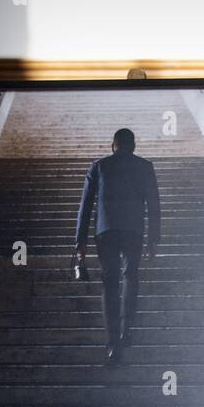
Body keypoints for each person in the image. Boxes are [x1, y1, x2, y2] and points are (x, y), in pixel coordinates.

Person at [74, 128, 161, 367]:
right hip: (133, 231)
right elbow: (154, 203)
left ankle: (113, 344)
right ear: (133, 146)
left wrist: (79, 242)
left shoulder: (99, 166)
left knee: (109, 284)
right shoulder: (145, 166)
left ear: (113, 145)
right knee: (130, 276)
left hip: (107, 231)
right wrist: (153, 238)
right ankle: (127, 330)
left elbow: (85, 206)